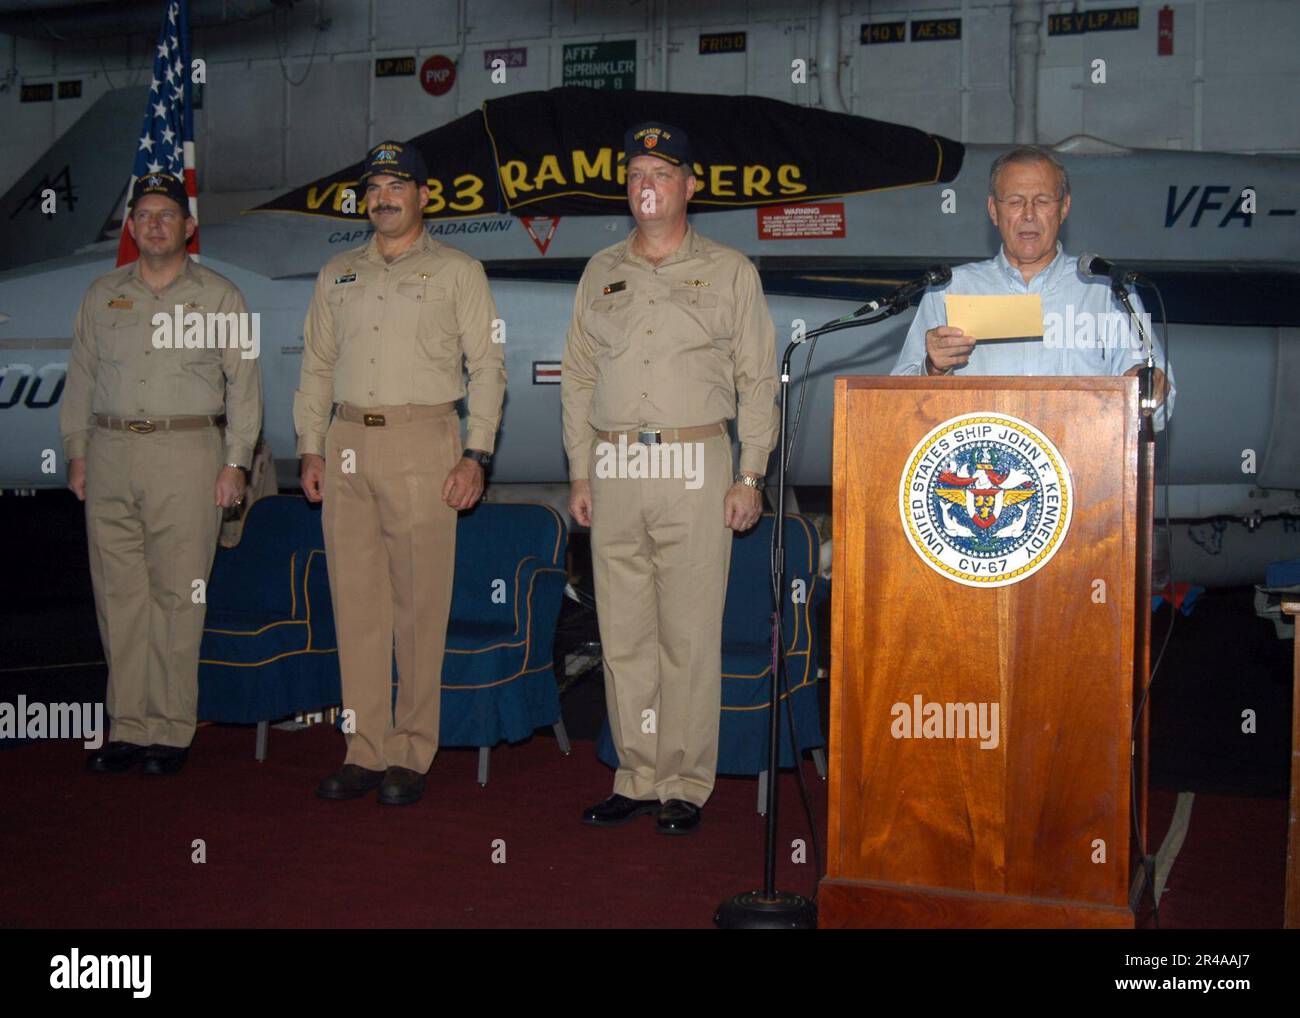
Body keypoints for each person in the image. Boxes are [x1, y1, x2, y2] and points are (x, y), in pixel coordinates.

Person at [562, 122, 779, 834]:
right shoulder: (601, 271)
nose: (644, 186)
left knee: (688, 632)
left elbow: (757, 379)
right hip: (616, 461)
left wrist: (751, 473)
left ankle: (686, 780)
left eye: (660, 173)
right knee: (623, 632)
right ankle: (637, 772)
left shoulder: (730, 271)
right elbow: (578, 377)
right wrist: (580, 471)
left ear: (690, 186)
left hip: (696, 461)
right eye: (634, 175)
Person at [295, 140, 505, 806]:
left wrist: (477, 454)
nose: (384, 197)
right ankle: (364, 749)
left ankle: (411, 753)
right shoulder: (337, 273)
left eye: (397, 184)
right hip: (347, 438)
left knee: (418, 607)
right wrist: (310, 446)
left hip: (424, 439)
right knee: (355, 607)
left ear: (423, 195)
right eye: (374, 187)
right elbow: (316, 369)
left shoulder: (458, 271)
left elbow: (488, 369)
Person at [61, 172, 263, 775]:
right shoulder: (102, 295)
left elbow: (245, 389)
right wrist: (76, 452)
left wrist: (236, 463)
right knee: (118, 597)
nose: (154, 224)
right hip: (111, 451)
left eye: (166, 215)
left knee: (179, 596)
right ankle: (126, 726)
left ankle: (170, 731)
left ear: (188, 227)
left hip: (188, 453)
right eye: (143, 214)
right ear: (131, 227)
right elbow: (81, 380)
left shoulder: (220, 296)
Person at [891, 145, 1174, 424]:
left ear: (1063, 208)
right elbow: (895, 404)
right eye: (1014, 202)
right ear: (993, 210)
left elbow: (1160, 408)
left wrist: (1149, 390)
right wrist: (932, 369)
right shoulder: (950, 290)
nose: (1028, 214)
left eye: (1042, 201)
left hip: (1080, 465)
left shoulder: (1107, 292)